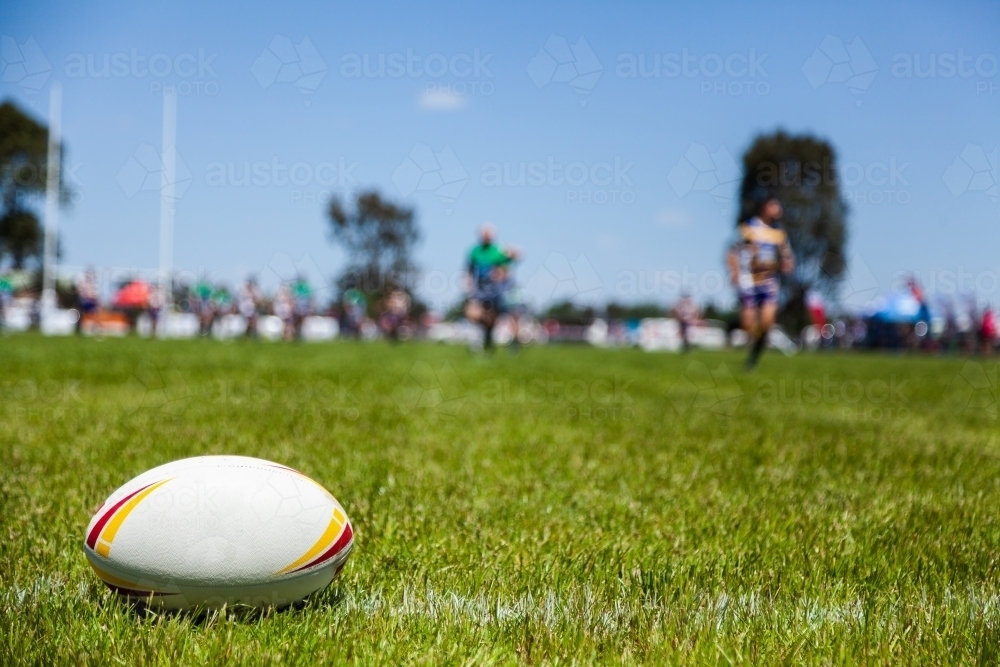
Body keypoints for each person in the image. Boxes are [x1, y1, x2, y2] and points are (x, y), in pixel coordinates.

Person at [727, 194, 795, 370]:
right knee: (747, 324)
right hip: (749, 279)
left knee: (767, 323)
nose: (778, 210)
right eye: (775, 205)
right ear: (764, 206)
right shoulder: (748, 228)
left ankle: (753, 359)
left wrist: (788, 264)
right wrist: (734, 272)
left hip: (769, 281)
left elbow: (787, 256)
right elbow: (732, 252)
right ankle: (732, 328)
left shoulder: (779, 233)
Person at [465, 224, 518, 351]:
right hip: (480, 289)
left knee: (506, 315)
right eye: (484, 234)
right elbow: (470, 269)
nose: (486, 237)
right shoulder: (474, 251)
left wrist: (500, 274)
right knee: (471, 313)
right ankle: (485, 331)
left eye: (489, 234)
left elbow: (508, 267)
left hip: (497, 290)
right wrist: (468, 282)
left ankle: (513, 344)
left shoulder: (498, 251)